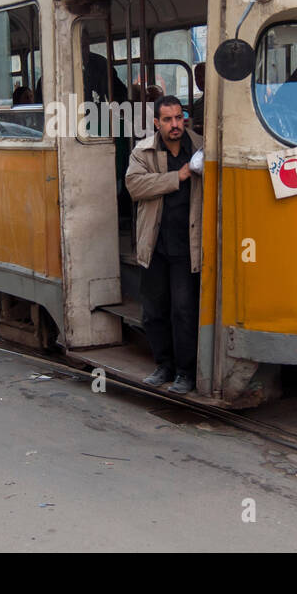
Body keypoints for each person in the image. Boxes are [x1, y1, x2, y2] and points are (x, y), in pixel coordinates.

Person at [125, 96, 204, 395]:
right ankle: (163, 366)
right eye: (168, 120)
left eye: (179, 118)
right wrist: (178, 176)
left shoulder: (201, 148)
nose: (175, 125)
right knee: (155, 310)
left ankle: (185, 372)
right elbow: (135, 186)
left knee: (184, 310)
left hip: (188, 245)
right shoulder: (143, 151)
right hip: (155, 244)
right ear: (157, 123)